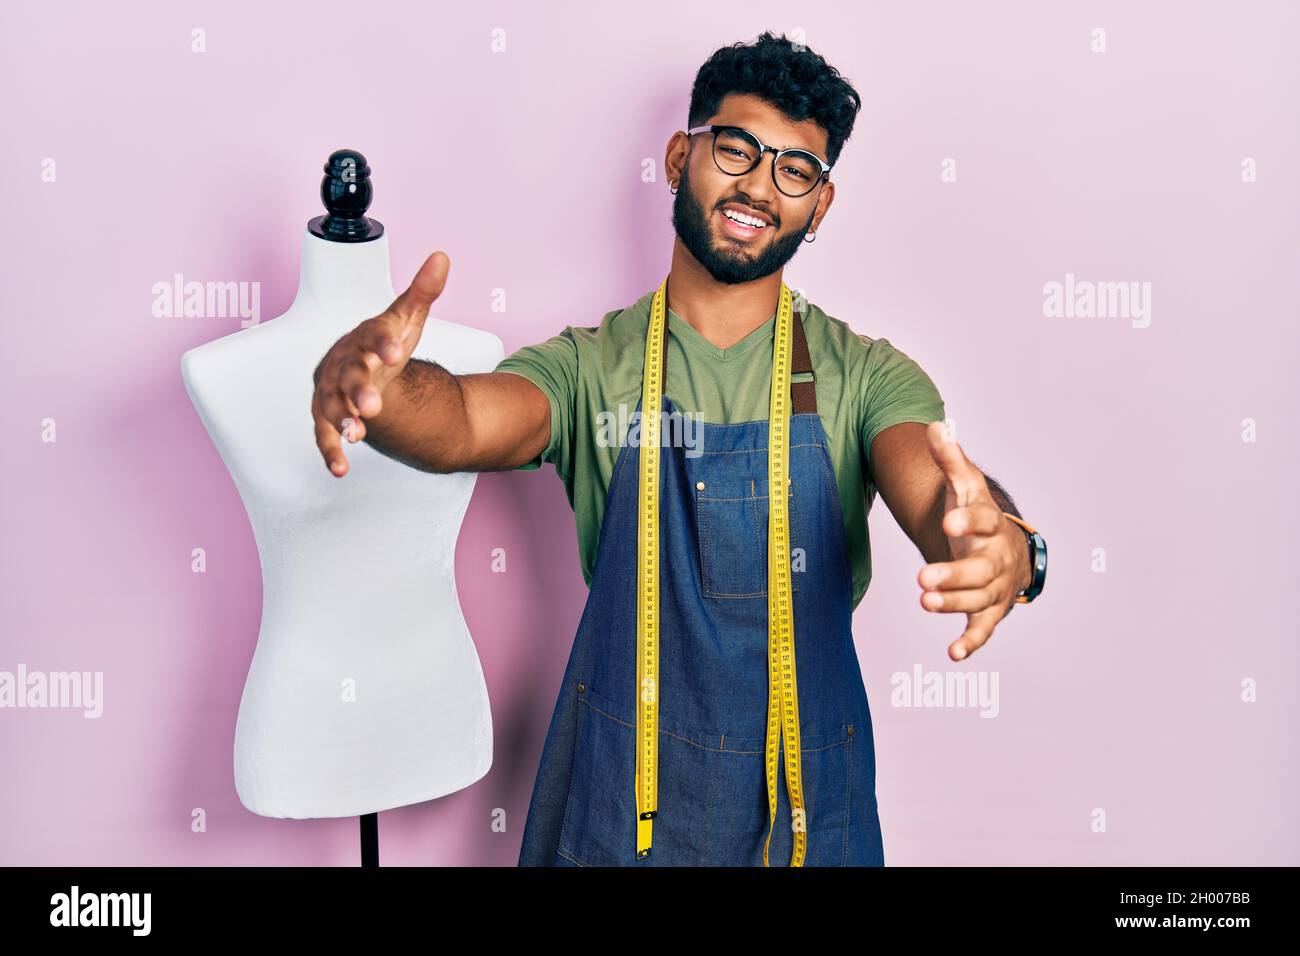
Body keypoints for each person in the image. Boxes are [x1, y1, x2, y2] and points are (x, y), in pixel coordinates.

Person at [310, 32, 1045, 867]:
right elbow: (464, 420)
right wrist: (376, 385)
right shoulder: (593, 366)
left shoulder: (868, 377)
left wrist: (1002, 544)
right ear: (677, 156)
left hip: (809, 813)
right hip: (618, 807)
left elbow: (942, 497)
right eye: (736, 148)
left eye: (794, 169)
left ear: (820, 206)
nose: (759, 187)